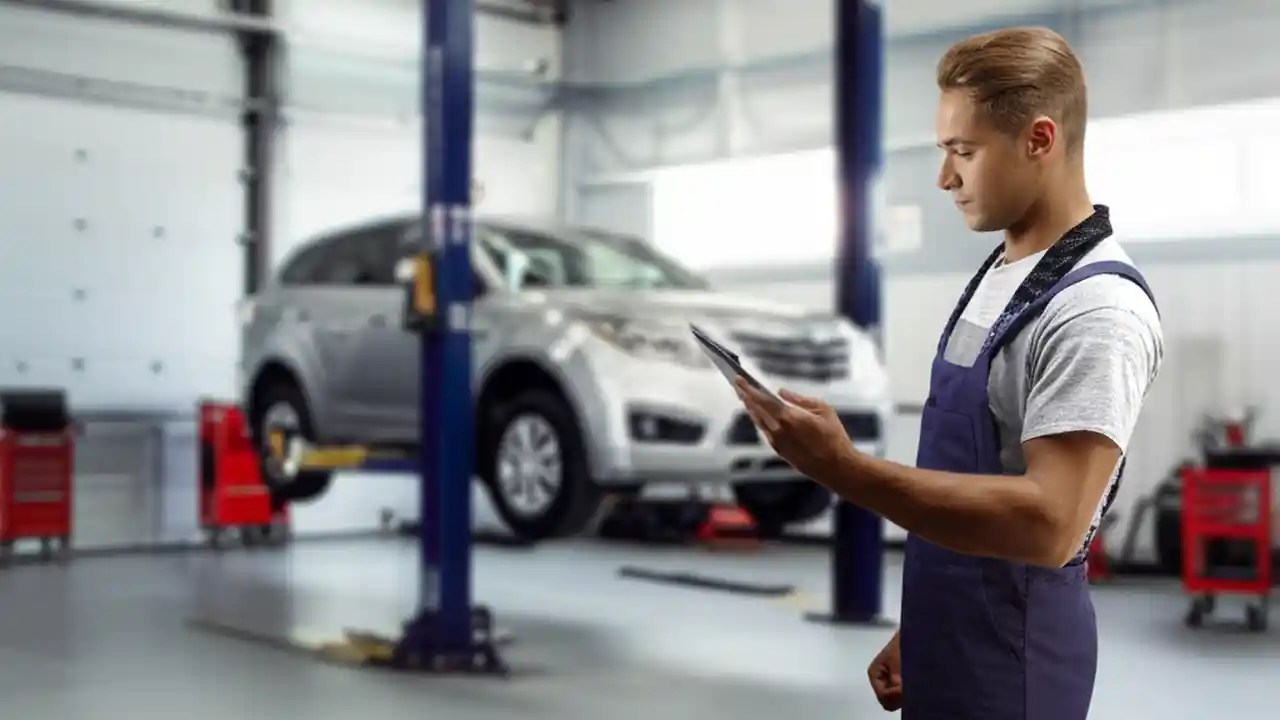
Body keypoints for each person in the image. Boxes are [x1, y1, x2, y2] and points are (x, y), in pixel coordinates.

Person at [735, 26, 1164, 719]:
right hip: (952, 637)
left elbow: (1050, 524)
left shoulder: (1096, 310)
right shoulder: (1001, 274)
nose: (944, 177)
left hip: (1015, 669)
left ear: (1040, 139)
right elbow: (975, 476)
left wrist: (844, 469)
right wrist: (924, 626)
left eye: (963, 152)